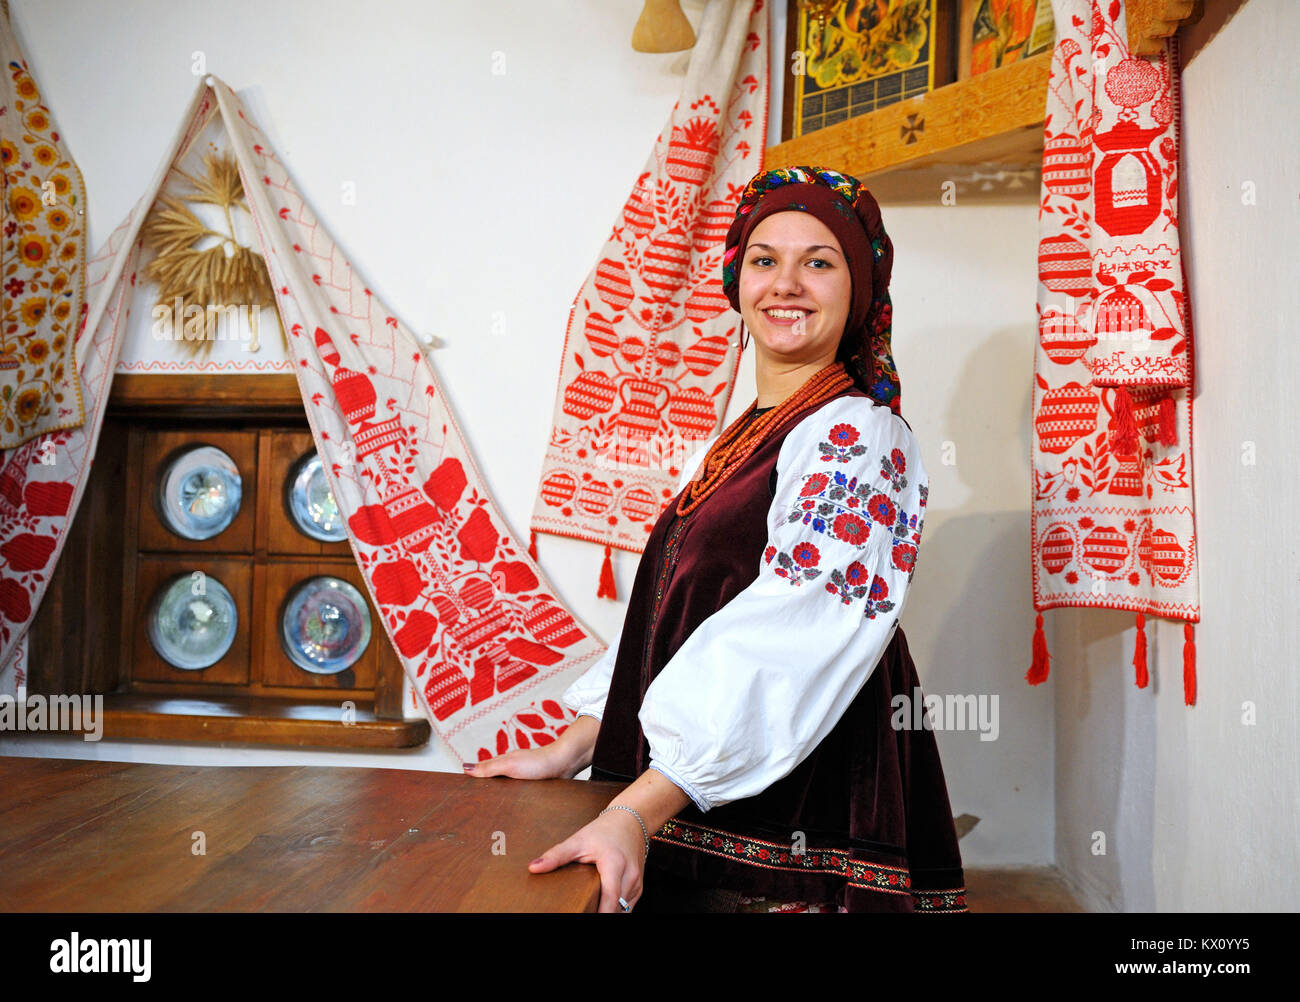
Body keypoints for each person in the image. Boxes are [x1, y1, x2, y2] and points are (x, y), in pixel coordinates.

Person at [466, 166, 967, 914]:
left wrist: (637, 809)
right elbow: (681, 616)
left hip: (798, 802)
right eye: (765, 260)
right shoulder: (748, 436)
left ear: (858, 291)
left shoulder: (860, 434)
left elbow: (787, 634)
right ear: (737, 283)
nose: (786, 283)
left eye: (819, 262)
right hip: (703, 786)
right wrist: (573, 746)